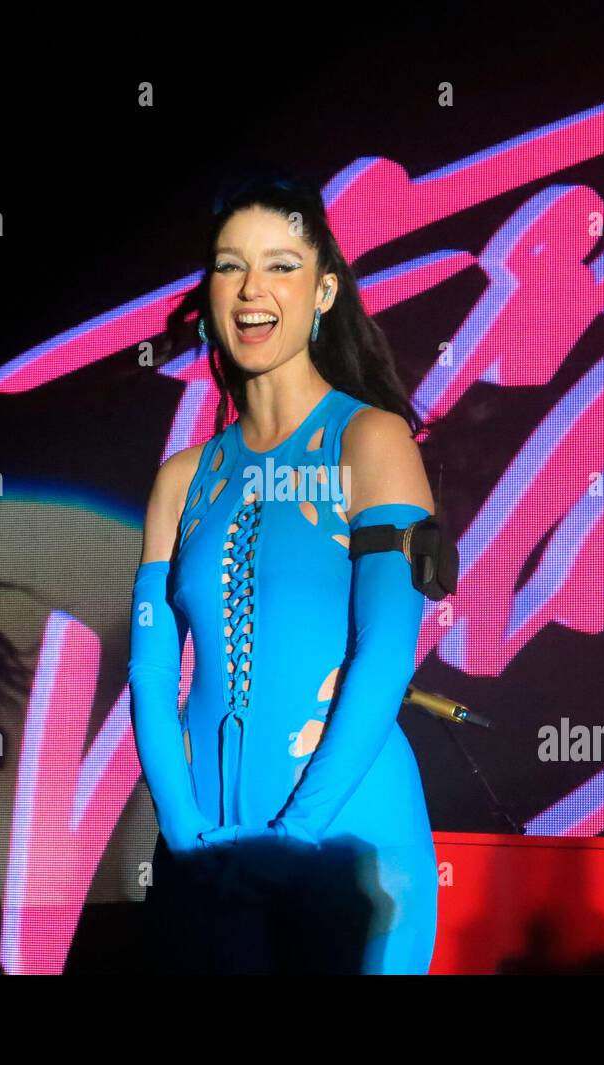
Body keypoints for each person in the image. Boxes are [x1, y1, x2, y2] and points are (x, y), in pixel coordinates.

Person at [128, 171, 438, 974]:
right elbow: (152, 668)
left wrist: (296, 839)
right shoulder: (180, 479)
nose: (252, 289)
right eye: (230, 265)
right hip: (206, 857)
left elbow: (386, 652)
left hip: (345, 847)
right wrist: (184, 833)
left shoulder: (373, 443)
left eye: (281, 264)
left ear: (325, 289)